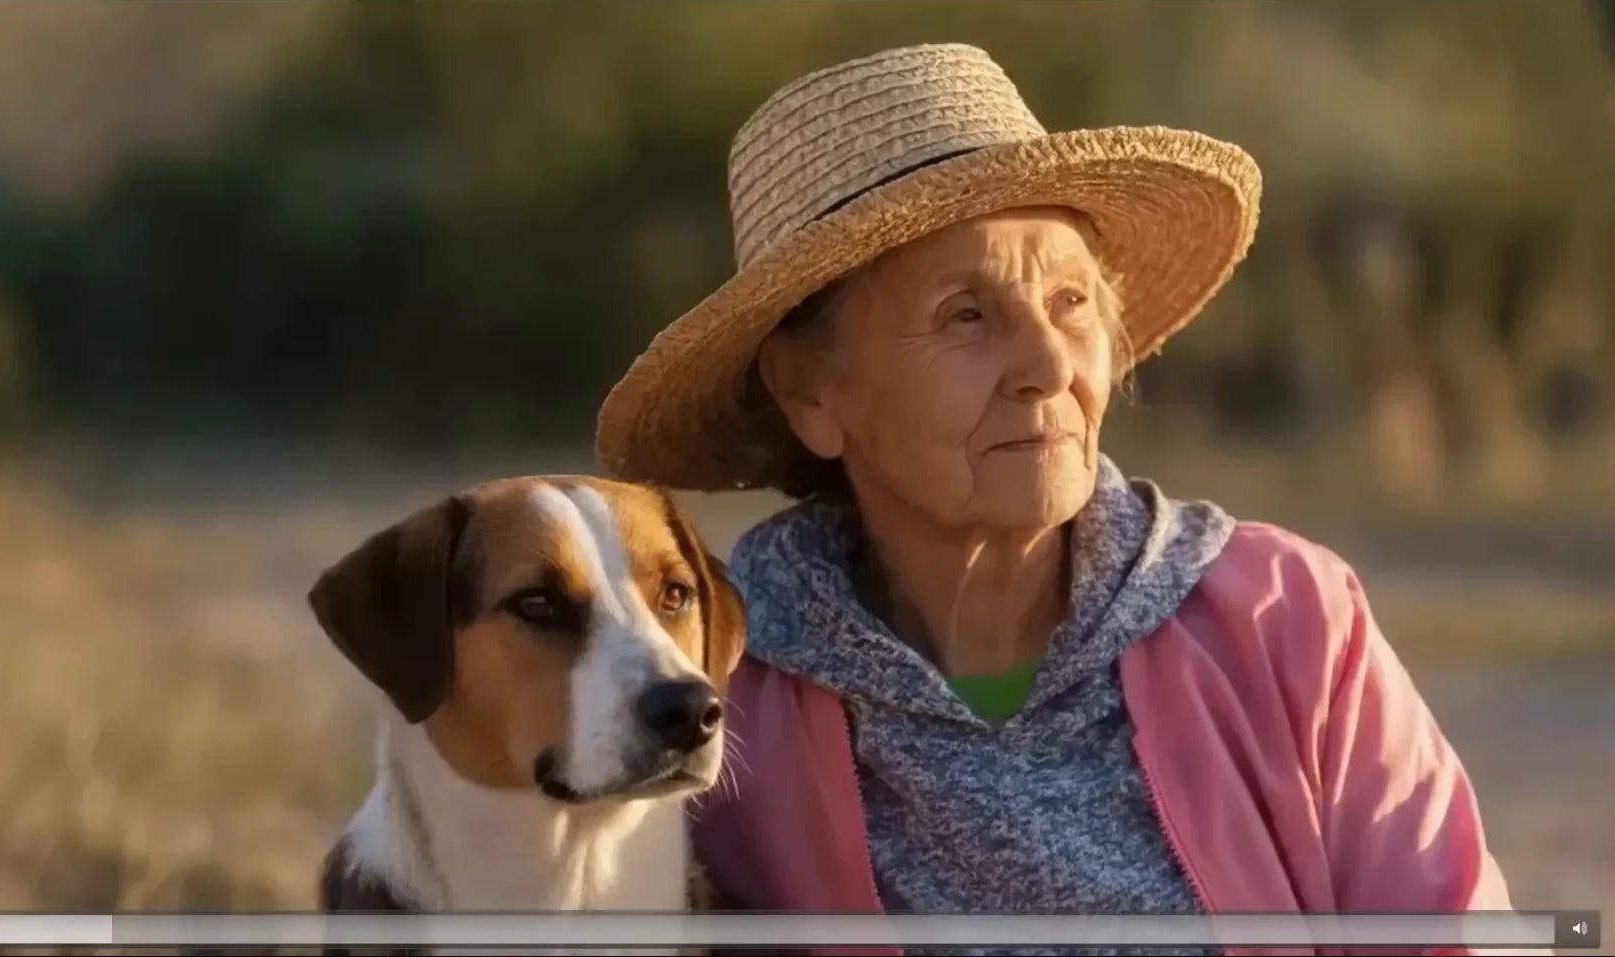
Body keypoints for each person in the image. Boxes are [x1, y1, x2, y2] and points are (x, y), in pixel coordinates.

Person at [594, 43, 1521, 957]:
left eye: (1072, 302)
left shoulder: (1285, 620)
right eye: (967, 315)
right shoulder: (719, 689)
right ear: (811, 394)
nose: (1047, 368)